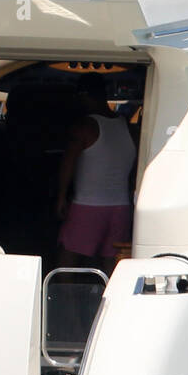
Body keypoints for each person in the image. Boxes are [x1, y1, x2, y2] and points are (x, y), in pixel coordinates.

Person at [55, 76, 138, 274]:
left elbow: (68, 165)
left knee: (65, 265)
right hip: (121, 208)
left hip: (87, 205)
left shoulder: (84, 127)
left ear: (84, 96)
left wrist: (60, 197)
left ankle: (68, 305)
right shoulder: (128, 127)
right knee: (112, 266)